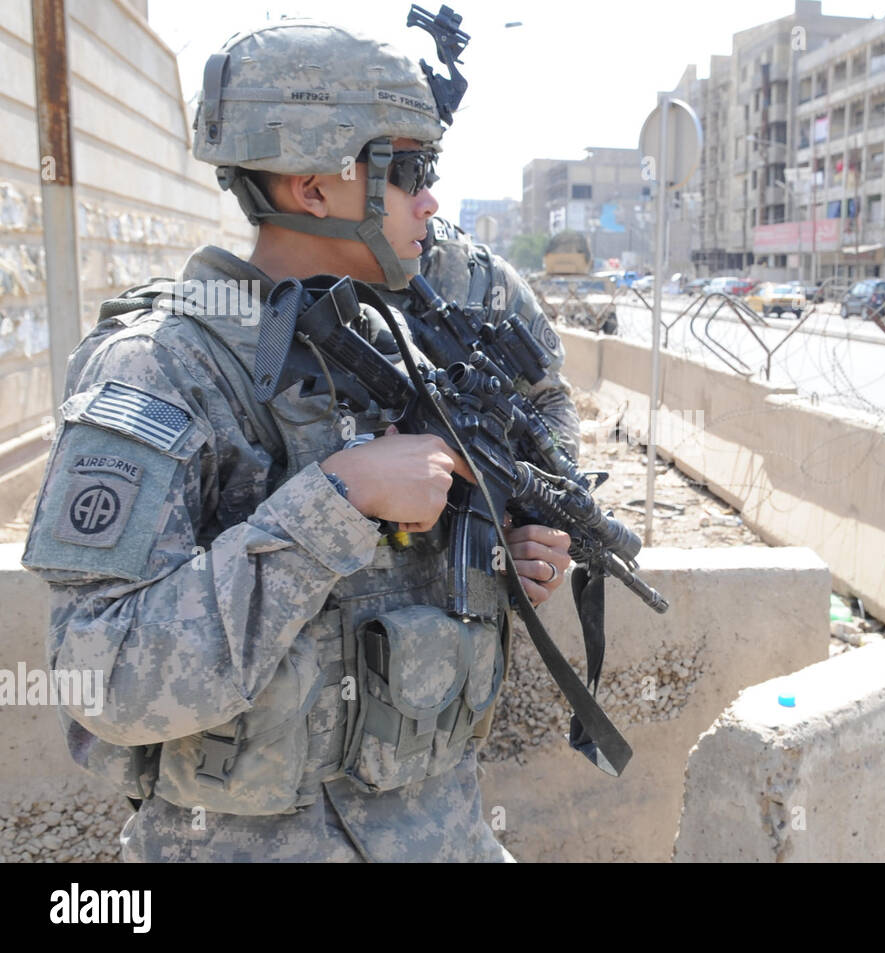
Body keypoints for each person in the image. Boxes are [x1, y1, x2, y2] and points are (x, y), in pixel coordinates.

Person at [21, 15, 576, 862]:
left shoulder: (418, 348)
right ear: (314, 189)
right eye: (407, 171)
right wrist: (340, 500)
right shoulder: (163, 365)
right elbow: (105, 673)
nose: (430, 201)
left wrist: (516, 546)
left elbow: (542, 414)